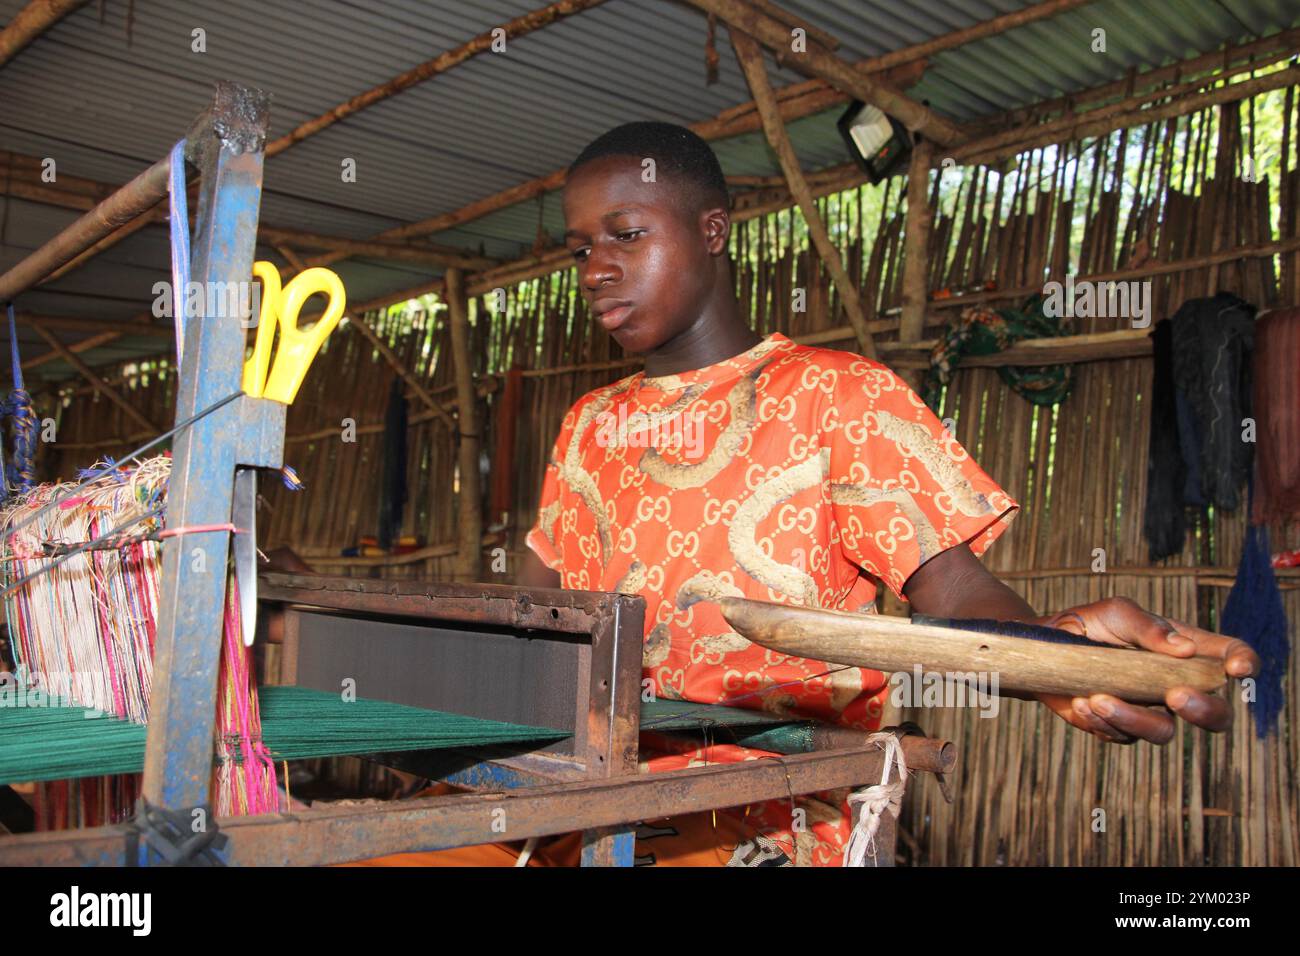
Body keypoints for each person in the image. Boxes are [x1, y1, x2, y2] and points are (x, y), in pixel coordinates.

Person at [507, 121, 1258, 867]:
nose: (595, 269)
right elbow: (527, 622)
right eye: (581, 250)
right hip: (590, 808)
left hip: (767, 823)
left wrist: (1059, 658)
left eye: (626, 236)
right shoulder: (590, 426)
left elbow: (956, 594)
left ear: (711, 231)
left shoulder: (838, 396)